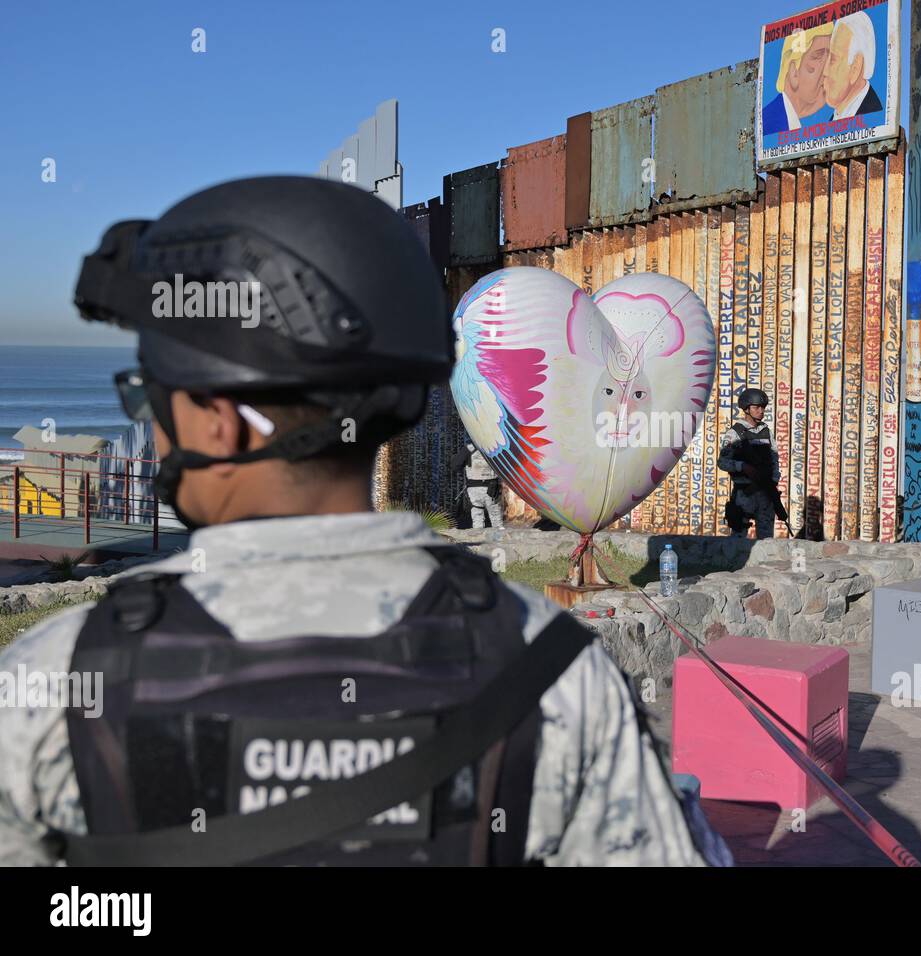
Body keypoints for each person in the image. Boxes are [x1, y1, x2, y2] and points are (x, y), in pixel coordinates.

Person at [0, 176, 730, 867]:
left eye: (148, 400)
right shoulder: (554, 674)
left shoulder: (54, 685)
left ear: (221, 424)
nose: (152, 431)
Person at [717, 388, 782, 539]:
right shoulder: (735, 433)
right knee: (738, 539)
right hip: (744, 494)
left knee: (766, 541)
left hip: (765, 493)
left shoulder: (766, 431)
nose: (761, 411)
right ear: (746, 409)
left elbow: (774, 459)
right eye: (756, 407)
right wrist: (743, 467)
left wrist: (773, 480)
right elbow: (723, 462)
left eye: (763, 407)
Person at [760, 25, 833, 136]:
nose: (827, 70)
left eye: (830, 58)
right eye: (818, 56)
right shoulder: (767, 125)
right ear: (793, 72)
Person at [825, 12, 883, 122]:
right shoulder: (833, 122)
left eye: (833, 59)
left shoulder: (874, 116)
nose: (825, 71)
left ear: (855, 68)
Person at [451, 439, 503, 529]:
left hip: (474, 488)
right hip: (492, 488)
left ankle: (479, 541)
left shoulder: (468, 448)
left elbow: (456, 465)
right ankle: (499, 540)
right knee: (496, 520)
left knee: (477, 518)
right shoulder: (496, 446)